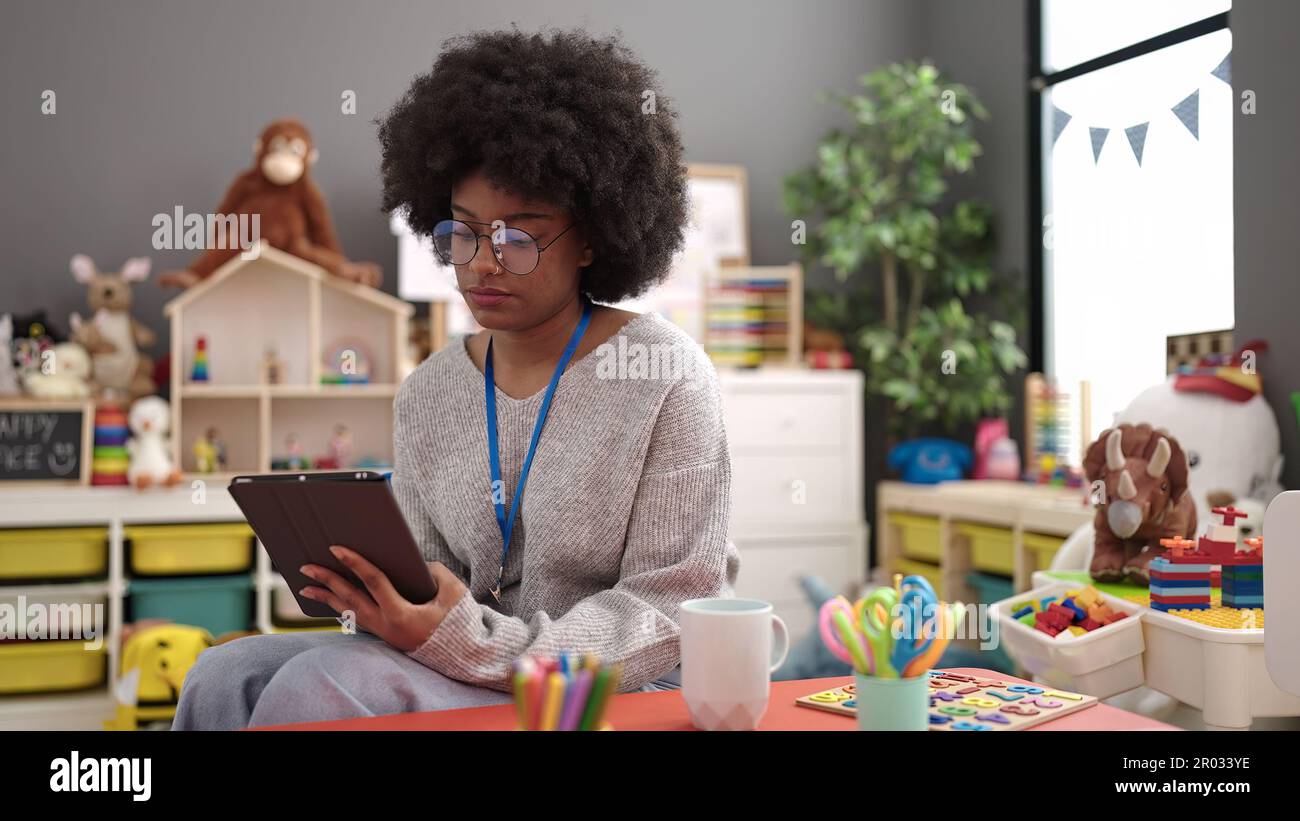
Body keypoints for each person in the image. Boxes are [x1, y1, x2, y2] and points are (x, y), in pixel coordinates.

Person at [173, 27, 736, 730]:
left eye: (518, 237)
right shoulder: (431, 390)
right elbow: (427, 585)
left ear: (594, 237)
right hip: (464, 664)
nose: (481, 264)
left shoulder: (667, 378)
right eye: (463, 232)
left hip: (605, 687)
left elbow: (669, 609)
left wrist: (470, 639)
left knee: (320, 687)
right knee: (223, 671)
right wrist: (382, 600)